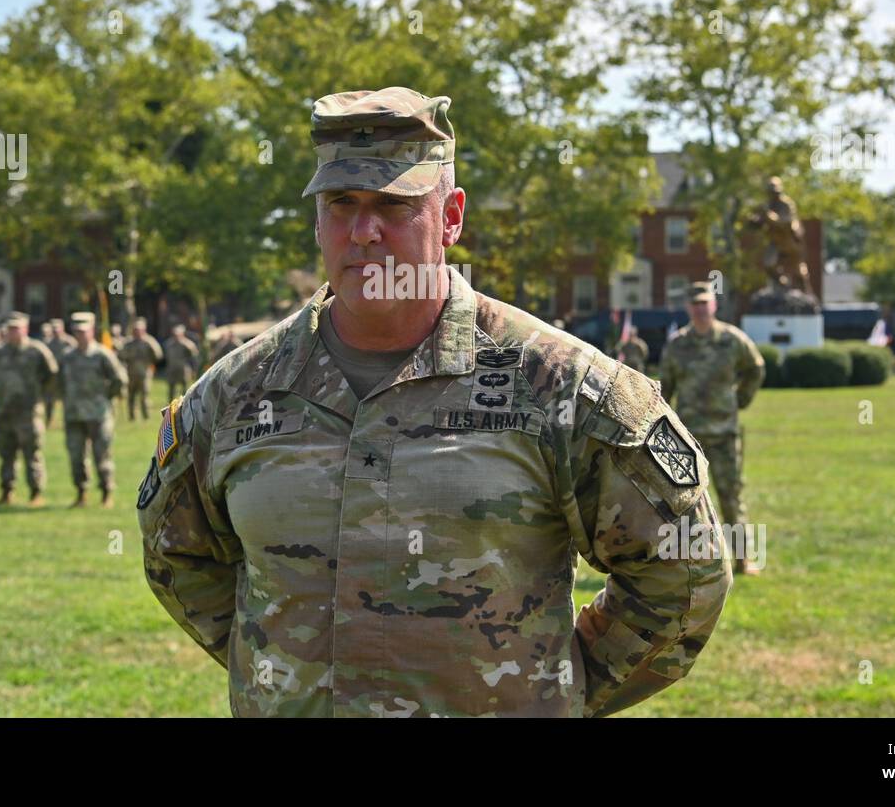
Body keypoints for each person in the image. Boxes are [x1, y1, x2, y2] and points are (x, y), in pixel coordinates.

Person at [135, 86, 731, 718]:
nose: (364, 231)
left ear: (451, 215)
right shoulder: (236, 393)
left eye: (394, 203)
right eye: (341, 203)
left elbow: (682, 574)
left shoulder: (560, 385)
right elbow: (176, 553)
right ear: (317, 220)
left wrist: (551, 688)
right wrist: (280, 668)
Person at [659, 281, 765, 575]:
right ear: (688, 308)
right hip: (688, 437)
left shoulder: (732, 340)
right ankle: (687, 561)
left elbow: (755, 368)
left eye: (705, 303)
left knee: (731, 495)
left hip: (724, 433)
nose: (700, 309)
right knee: (682, 500)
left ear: (713, 305)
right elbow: (665, 389)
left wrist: (740, 400)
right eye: (695, 304)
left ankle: (743, 560)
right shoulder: (678, 345)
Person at [0, 312, 58, 506]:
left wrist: (39, 394)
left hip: (29, 413)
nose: (13, 332)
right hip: (4, 412)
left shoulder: (36, 351)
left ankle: (36, 492)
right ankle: (6, 491)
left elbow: (51, 374)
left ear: (25, 329)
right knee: (6, 455)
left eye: (16, 328)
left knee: (32, 454)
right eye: (10, 329)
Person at [61, 312, 128, 507]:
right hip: (74, 415)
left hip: (98, 415)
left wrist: (105, 397)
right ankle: (81, 493)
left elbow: (120, 379)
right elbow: (59, 382)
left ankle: (106, 493)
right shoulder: (68, 356)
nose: (80, 335)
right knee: (76, 456)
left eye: (84, 331)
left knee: (102, 455)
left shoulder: (102, 355)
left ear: (92, 331)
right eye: (77, 331)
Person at [119, 317, 163, 421]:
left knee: (144, 397)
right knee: (131, 397)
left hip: (144, 374)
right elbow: (120, 355)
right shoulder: (128, 343)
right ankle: (131, 417)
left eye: (139, 330)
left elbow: (158, 355)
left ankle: (146, 417)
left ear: (144, 330)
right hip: (131, 374)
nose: (137, 332)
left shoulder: (149, 342)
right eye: (135, 330)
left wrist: (150, 347)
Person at [44, 318, 76, 426]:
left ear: (62, 328)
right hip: (53, 376)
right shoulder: (48, 343)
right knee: (49, 399)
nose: (56, 331)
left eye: (58, 328)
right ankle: (49, 420)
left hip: (67, 375)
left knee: (68, 398)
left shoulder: (70, 342)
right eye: (54, 329)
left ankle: (69, 420)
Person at [163, 324, 198, 401]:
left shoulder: (188, 344)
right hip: (172, 369)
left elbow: (193, 357)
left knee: (185, 390)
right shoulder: (169, 344)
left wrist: (194, 370)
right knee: (171, 390)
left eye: (178, 334)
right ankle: (170, 407)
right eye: (174, 334)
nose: (176, 336)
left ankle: (185, 405)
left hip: (183, 369)